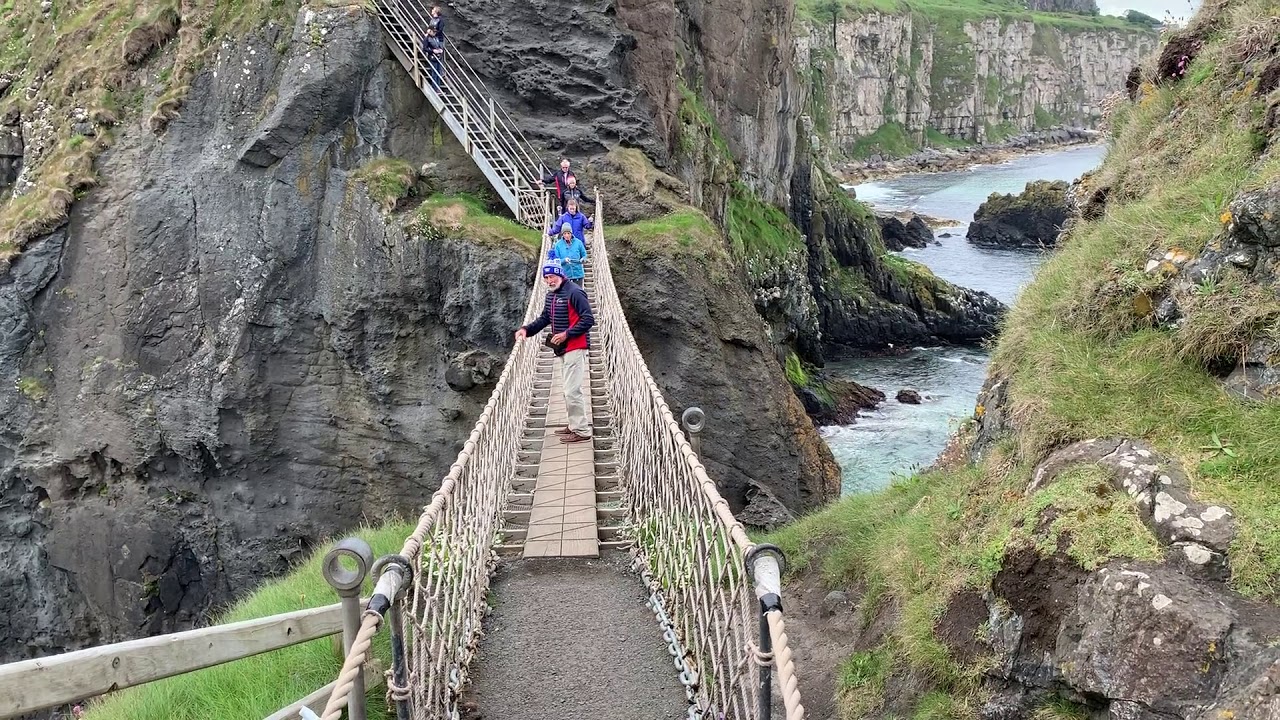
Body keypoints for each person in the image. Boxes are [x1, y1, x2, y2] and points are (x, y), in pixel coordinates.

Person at [515, 259, 595, 444]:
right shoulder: (551, 295)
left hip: (576, 346)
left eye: (552, 276)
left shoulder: (575, 292)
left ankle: (582, 430)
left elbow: (588, 319)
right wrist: (526, 330)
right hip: (563, 348)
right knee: (567, 390)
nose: (549, 281)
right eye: (546, 277)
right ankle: (574, 425)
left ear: (560, 274)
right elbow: (545, 318)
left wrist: (567, 334)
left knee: (572, 390)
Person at [547, 220, 588, 285]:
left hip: (578, 274)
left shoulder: (578, 243)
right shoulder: (558, 245)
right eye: (565, 233)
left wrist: (583, 259)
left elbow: (584, 255)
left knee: (578, 291)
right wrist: (564, 260)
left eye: (568, 233)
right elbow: (556, 261)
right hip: (565, 276)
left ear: (571, 233)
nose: (567, 235)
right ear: (562, 234)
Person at [422, 26, 444, 91]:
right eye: (433, 32)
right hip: (432, 57)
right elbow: (425, 48)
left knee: (438, 72)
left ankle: (438, 88)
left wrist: (440, 49)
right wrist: (433, 51)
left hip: (438, 57)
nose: (434, 33)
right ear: (429, 31)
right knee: (434, 73)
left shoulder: (436, 38)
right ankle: (435, 88)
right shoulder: (427, 39)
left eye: (435, 32)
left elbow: (439, 45)